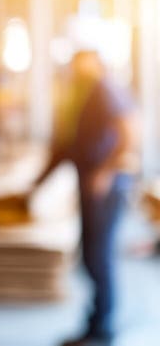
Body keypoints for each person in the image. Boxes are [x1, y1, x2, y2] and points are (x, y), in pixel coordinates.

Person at [34, 47, 138, 346]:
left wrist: (105, 172)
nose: (79, 68)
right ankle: (96, 324)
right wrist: (37, 184)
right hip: (88, 182)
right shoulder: (79, 95)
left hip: (105, 186)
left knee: (99, 256)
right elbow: (66, 146)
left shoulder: (106, 90)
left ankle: (102, 328)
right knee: (91, 255)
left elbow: (130, 132)